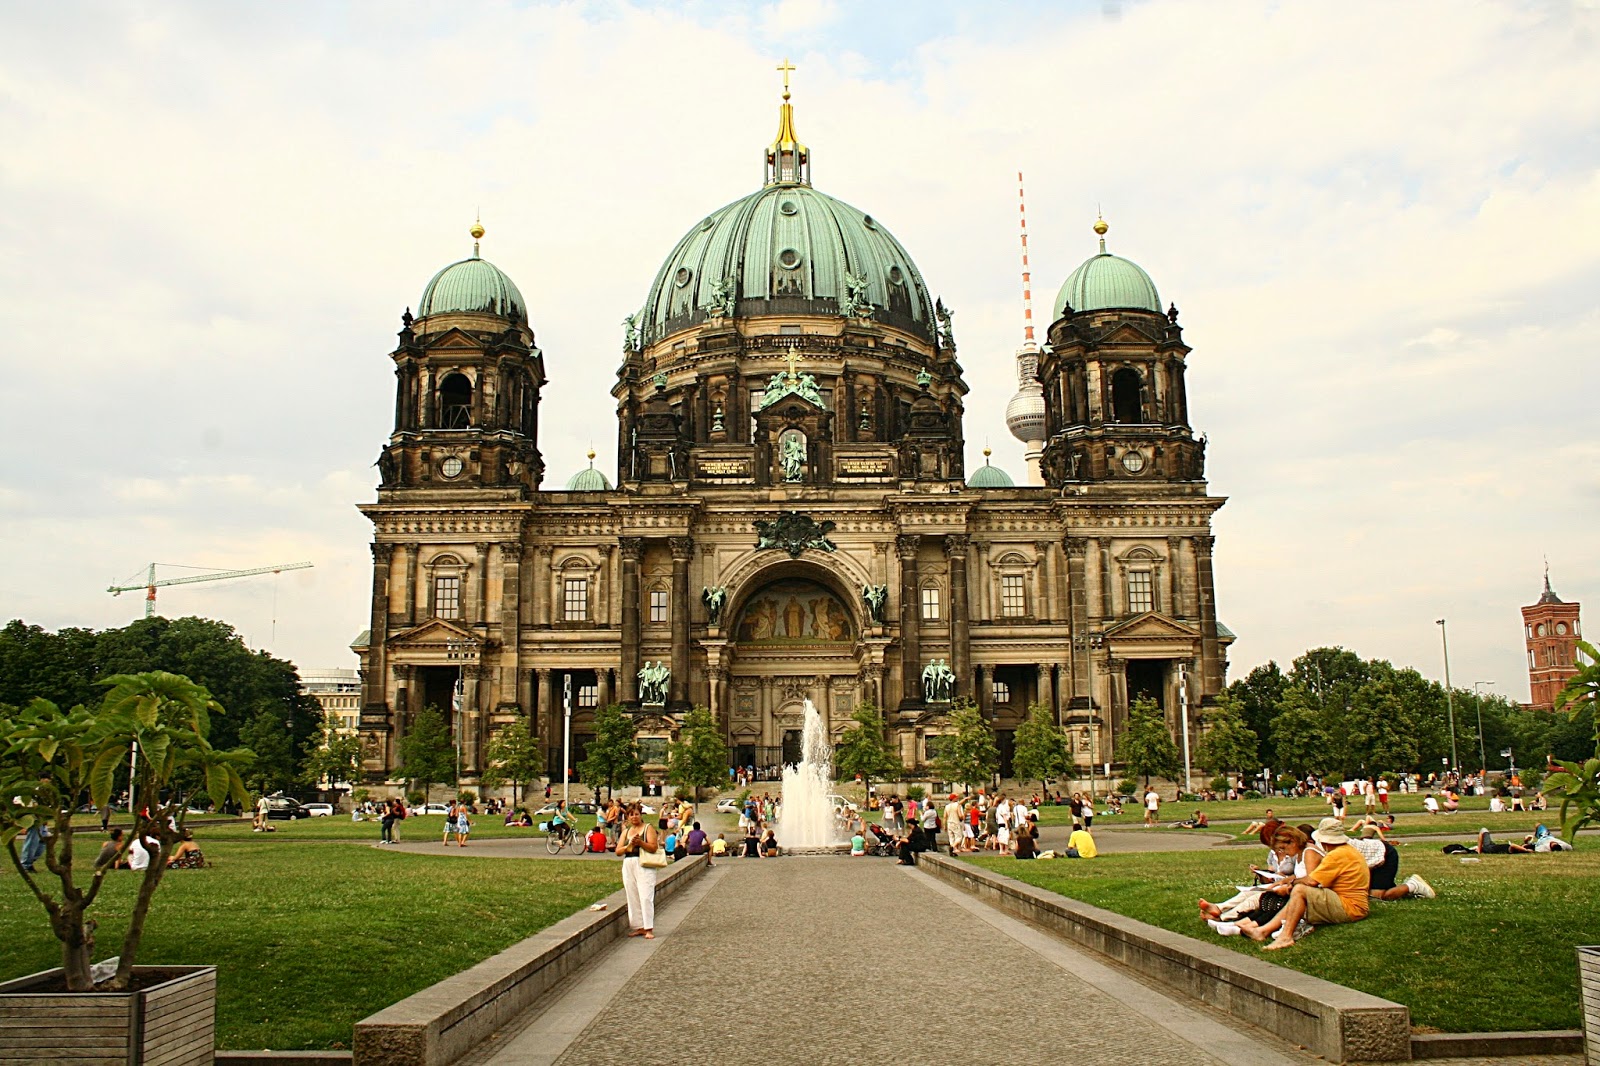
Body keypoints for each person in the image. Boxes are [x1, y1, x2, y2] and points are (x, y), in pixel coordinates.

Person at [1239, 818, 1370, 949]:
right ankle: (1263, 930)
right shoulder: (1346, 851)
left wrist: (1293, 883)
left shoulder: (1336, 855)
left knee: (1300, 890)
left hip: (1350, 907)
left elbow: (1312, 881)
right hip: (1352, 904)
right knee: (1299, 892)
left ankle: (1285, 936)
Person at [614, 803, 660, 939]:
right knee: (632, 894)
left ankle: (649, 928)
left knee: (646, 895)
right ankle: (639, 926)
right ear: (627, 817)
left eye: (636, 814)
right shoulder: (626, 832)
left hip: (644, 863)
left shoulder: (648, 828)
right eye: (631, 814)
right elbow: (618, 851)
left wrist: (640, 843)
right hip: (629, 863)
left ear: (640, 815)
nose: (634, 817)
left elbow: (653, 847)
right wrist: (628, 846)